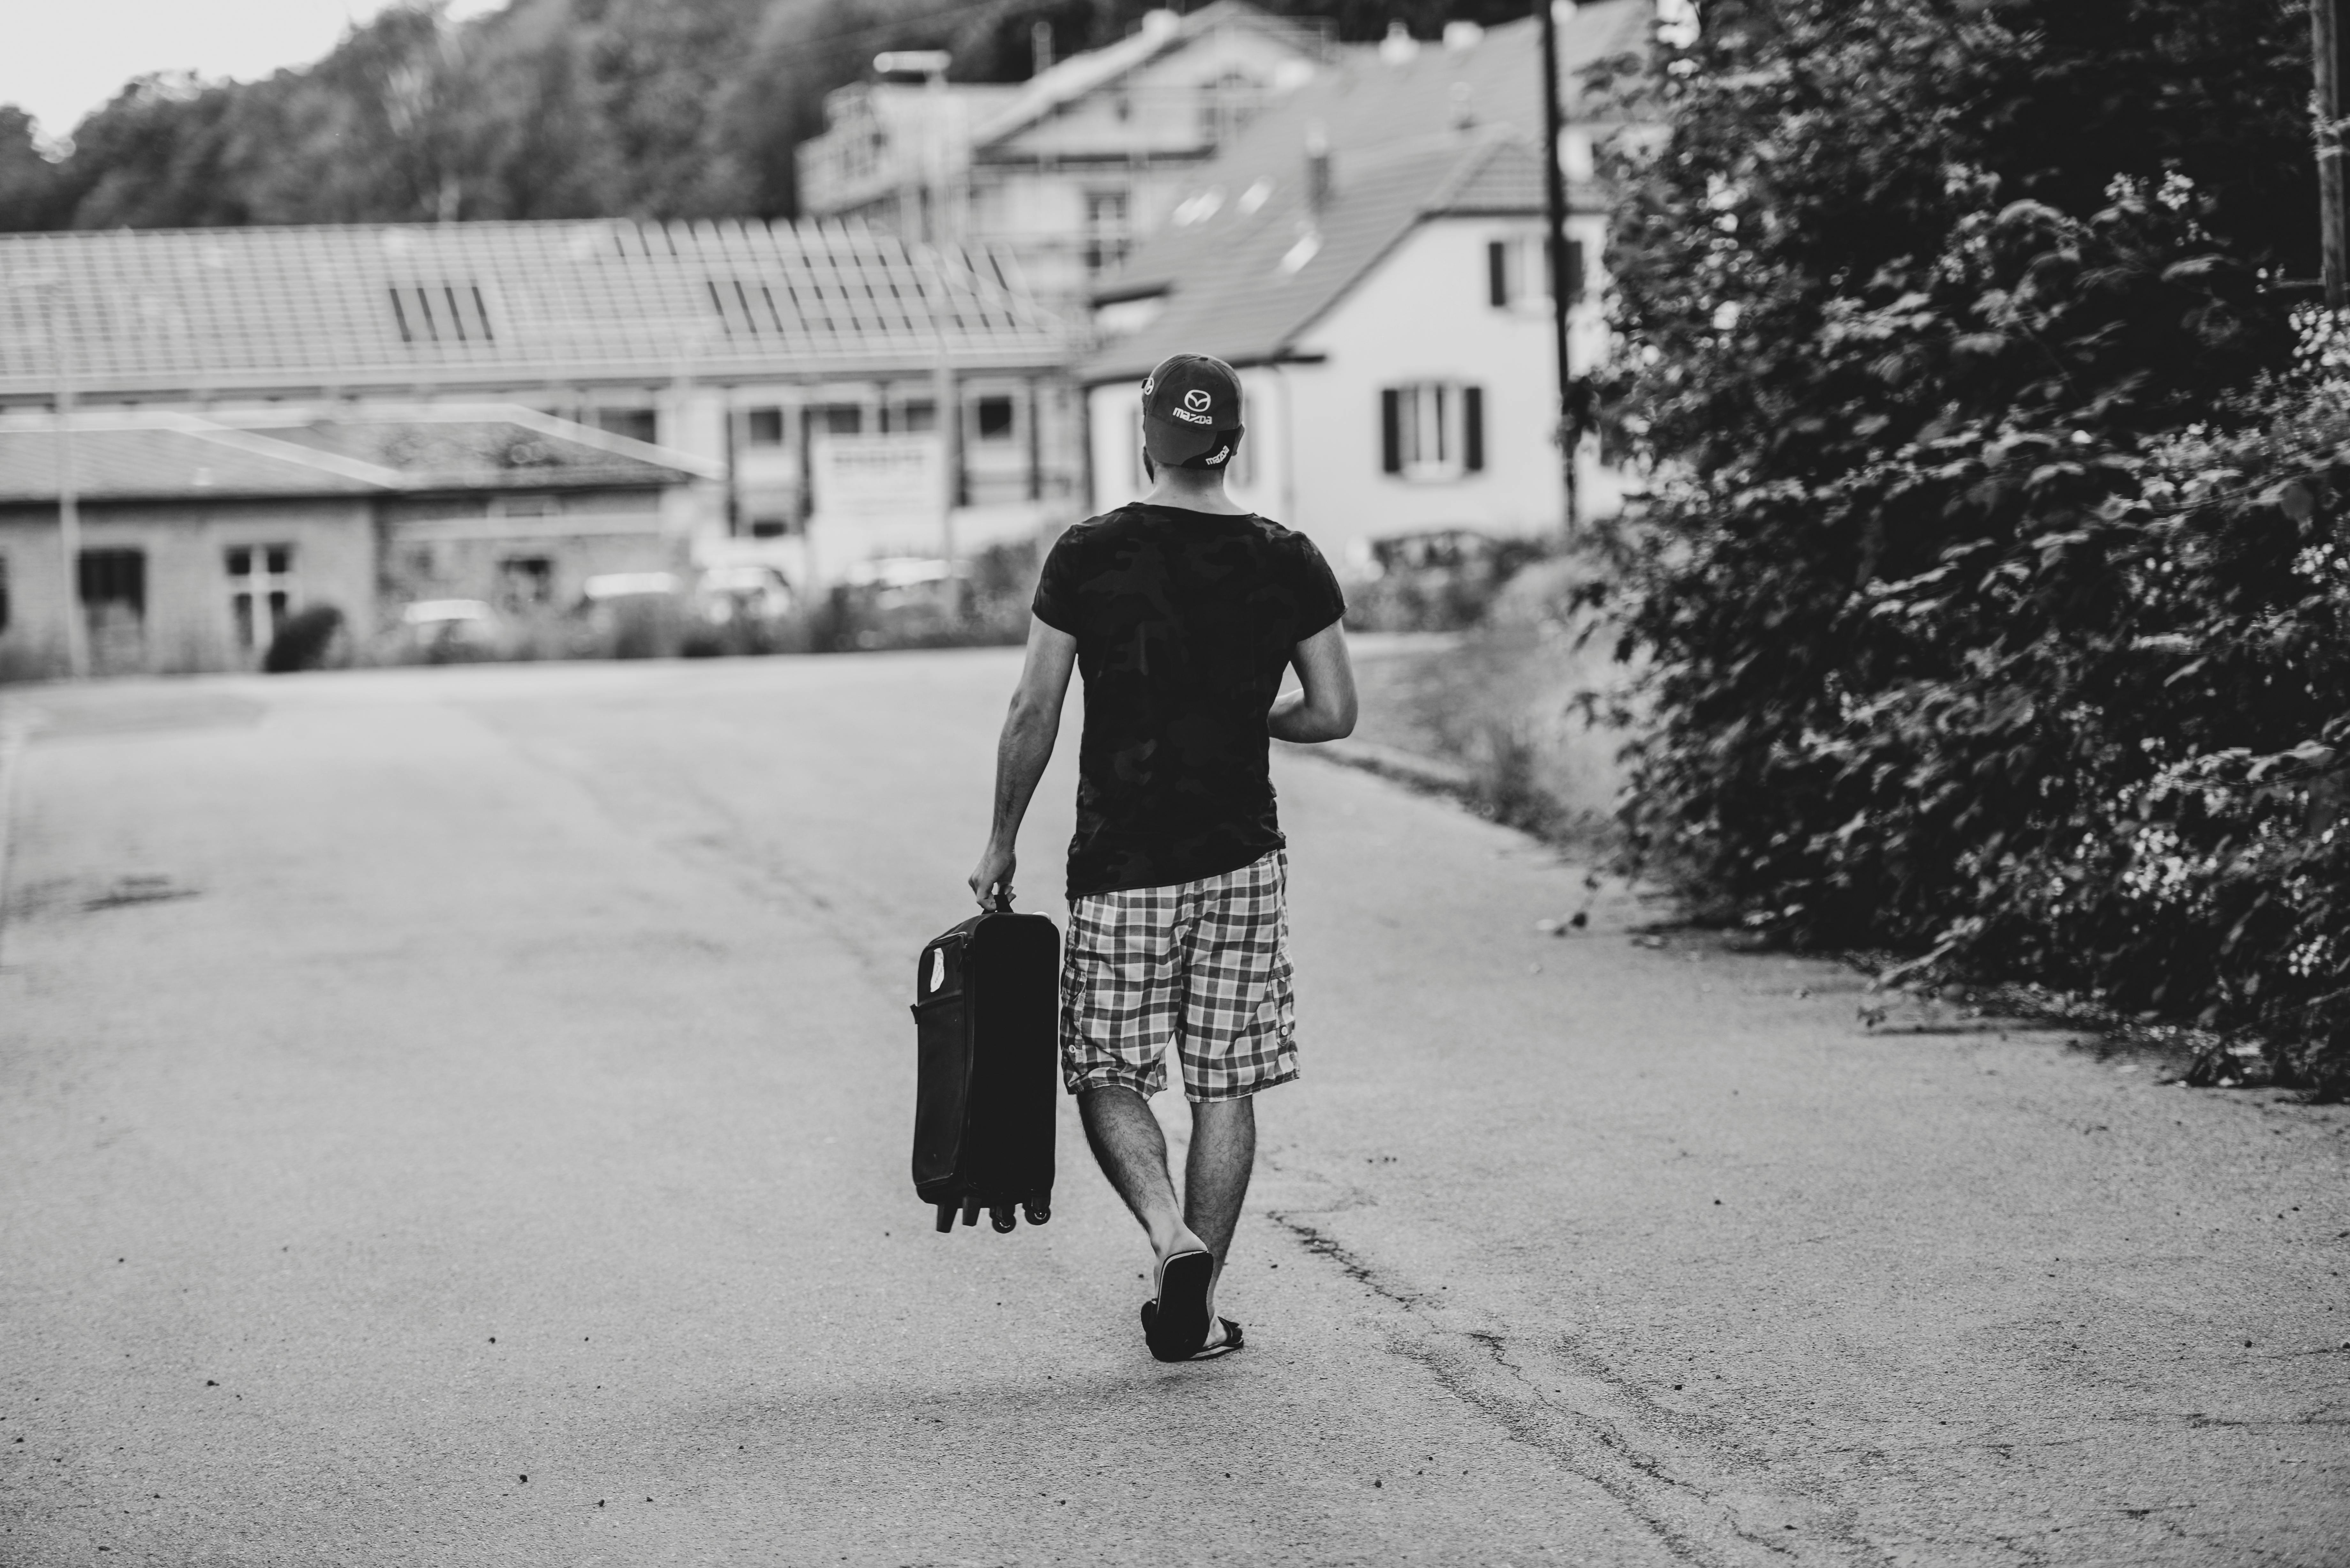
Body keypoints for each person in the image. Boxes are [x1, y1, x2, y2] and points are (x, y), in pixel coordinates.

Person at [968, 352, 1358, 1363]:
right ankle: (1203, 1308)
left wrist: (1002, 838)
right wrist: (1246, 714)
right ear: (1233, 439)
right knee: (1226, 1081)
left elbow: (1033, 713)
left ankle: (1165, 1235)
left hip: (1123, 862)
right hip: (1241, 858)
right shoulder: (1289, 557)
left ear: (1148, 438)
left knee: (1106, 1067)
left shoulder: (1091, 553)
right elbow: (1335, 712)